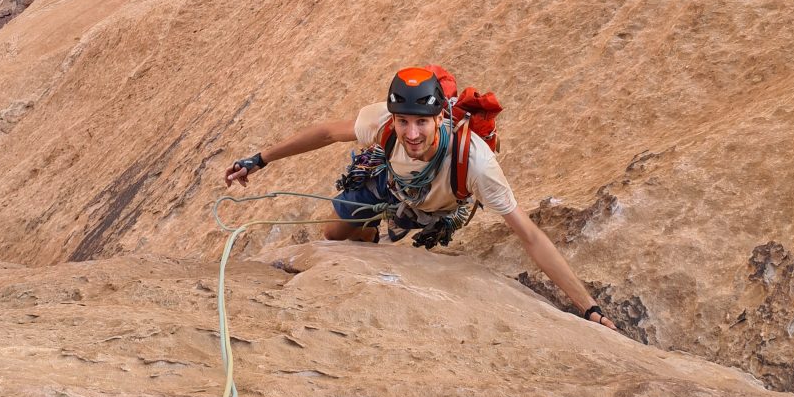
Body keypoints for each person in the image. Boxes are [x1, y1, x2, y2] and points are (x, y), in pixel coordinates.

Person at [225, 66, 617, 330]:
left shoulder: (474, 163)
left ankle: (389, 225)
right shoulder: (383, 124)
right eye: (404, 121)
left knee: (368, 226)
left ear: (440, 119)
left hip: (435, 203)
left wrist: (590, 308)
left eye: (422, 123)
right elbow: (328, 132)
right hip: (387, 179)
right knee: (334, 232)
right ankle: (370, 233)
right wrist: (259, 160)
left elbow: (529, 236)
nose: (412, 134)